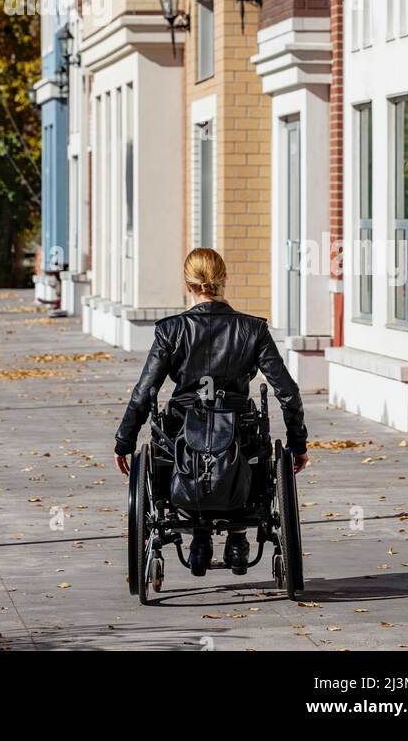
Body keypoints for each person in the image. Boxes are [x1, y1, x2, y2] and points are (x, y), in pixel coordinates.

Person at [114, 247, 309, 576]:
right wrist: (297, 442)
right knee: (247, 449)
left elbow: (145, 391)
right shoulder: (252, 329)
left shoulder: (170, 330)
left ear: (187, 284)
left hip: (183, 429)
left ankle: (199, 535)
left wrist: (125, 441)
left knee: (179, 447)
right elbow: (287, 391)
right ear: (224, 280)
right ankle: (237, 537)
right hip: (237, 427)